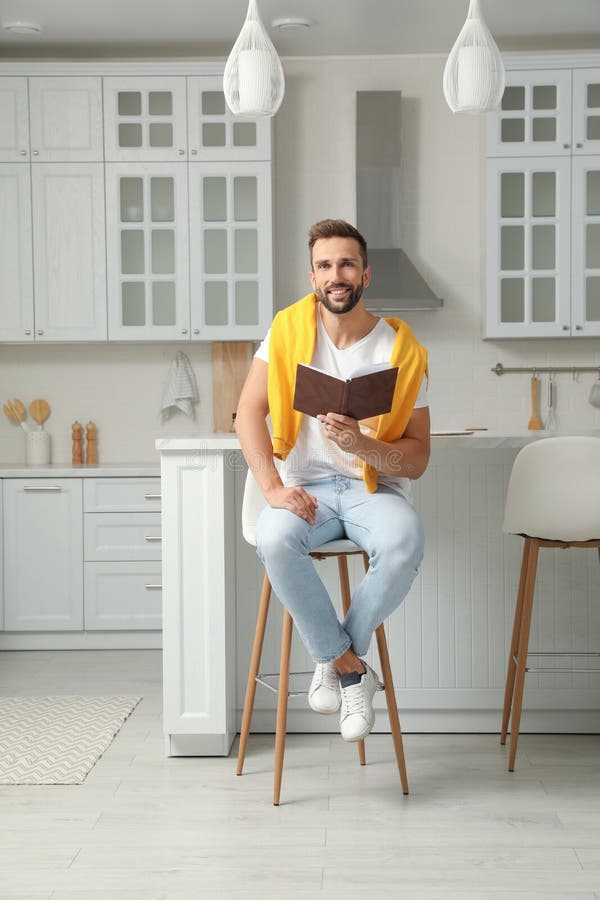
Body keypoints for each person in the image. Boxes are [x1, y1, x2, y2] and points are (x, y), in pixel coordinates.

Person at [235, 219, 430, 742]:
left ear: (365, 273)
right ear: (313, 275)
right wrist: (273, 489)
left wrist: (362, 445)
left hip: (372, 491)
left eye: (346, 264)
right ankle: (351, 668)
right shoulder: (285, 332)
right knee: (275, 538)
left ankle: (337, 656)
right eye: (325, 265)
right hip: (307, 490)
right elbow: (247, 413)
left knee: (405, 540)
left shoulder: (401, 352)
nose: (335, 274)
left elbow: (417, 460)